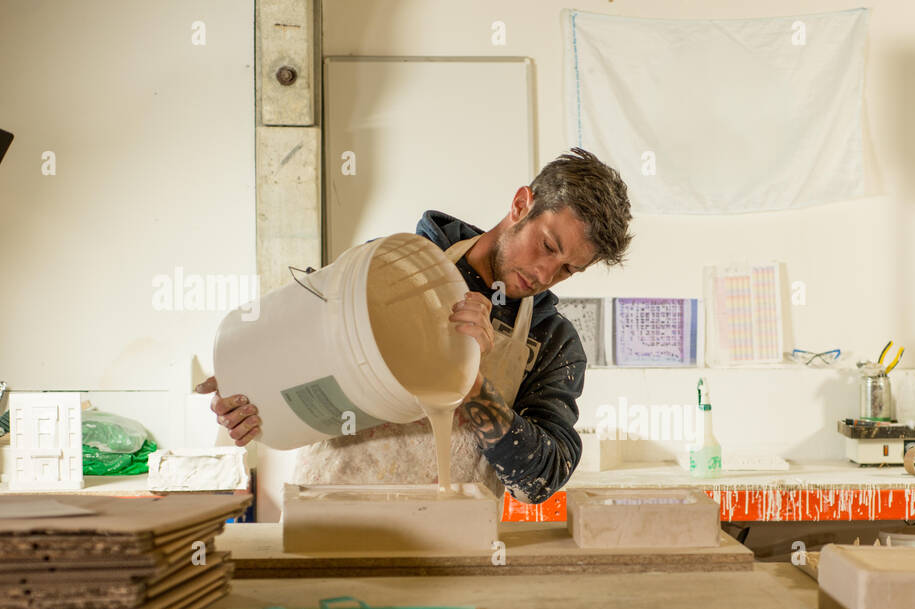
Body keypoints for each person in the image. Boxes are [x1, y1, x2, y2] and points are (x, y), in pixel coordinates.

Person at [197, 148, 632, 503]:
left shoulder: (551, 341)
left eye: (568, 269)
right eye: (547, 246)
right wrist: (251, 389)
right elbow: (302, 355)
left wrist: (472, 383)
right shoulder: (388, 269)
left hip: (450, 541)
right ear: (522, 204)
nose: (544, 274)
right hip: (332, 521)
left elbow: (538, 480)